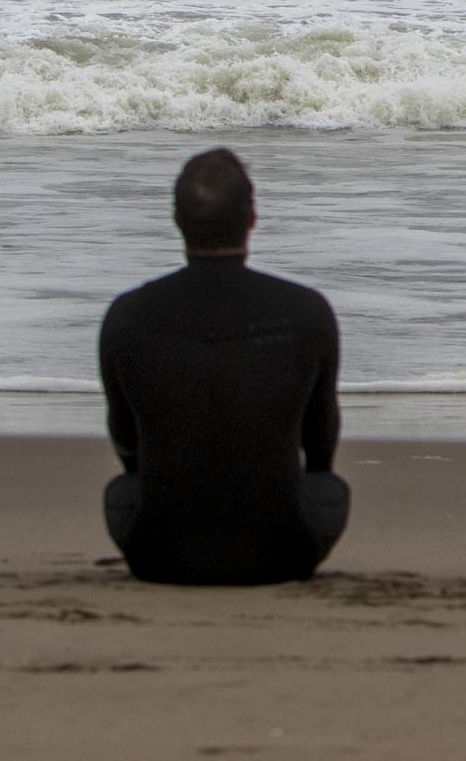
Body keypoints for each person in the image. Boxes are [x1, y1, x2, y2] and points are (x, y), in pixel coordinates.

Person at [98, 148, 349, 584]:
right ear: (252, 217)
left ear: (177, 220)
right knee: (330, 489)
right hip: (283, 551)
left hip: (158, 552)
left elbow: (127, 444)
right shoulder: (307, 312)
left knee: (120, 492)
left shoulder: (127, 316)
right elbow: (320, 446)